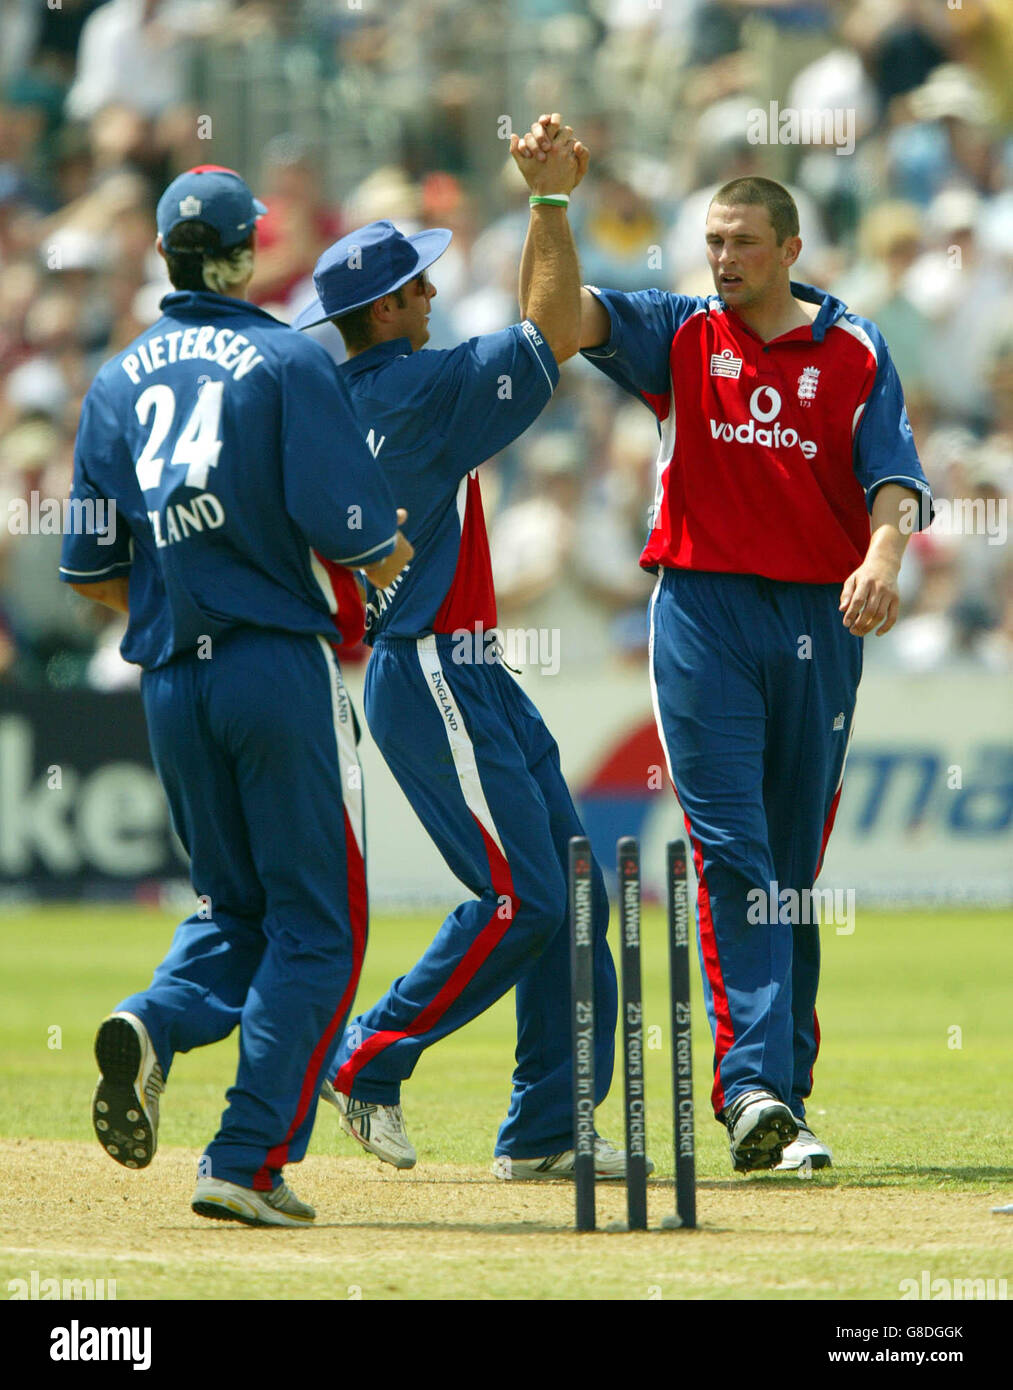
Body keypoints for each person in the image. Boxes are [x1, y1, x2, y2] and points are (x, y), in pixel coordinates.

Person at [59, 164, 411, 1225]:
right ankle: (246, 1155)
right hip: (272, 665)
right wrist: (387, 565)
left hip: (168, 674)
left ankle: (154, 1020)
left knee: (230, 909)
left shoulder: (114, 380)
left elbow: (93, 580)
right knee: (318, 925)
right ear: (248, 253)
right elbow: (366, 542)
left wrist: (183, 598)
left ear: (167, 254)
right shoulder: (286, 359)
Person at [575, 172, 933, 1173]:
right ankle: (752, 1089)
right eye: (711, 240)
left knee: (787, 866)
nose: (721, 258)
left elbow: (896, 481)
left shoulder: (853, 347)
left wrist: (880, 557)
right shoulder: (678, 334)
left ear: (788, 248)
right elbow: (557, 313)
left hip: (818, 616)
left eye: (739, 241)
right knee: (733, 850)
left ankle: (779, 1080)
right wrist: (550, 207)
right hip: (702, 607)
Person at [296, 120, 633, 1180]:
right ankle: (368, 1055)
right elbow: (550, 331)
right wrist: (545, 200)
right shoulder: (422, 392)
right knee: (521, 896)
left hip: (455, 666)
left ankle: (542, 1128)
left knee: (572, 892)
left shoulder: (337, 402)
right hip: (434, 663)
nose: (434, 298)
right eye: (418, 288)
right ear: (383, 313)